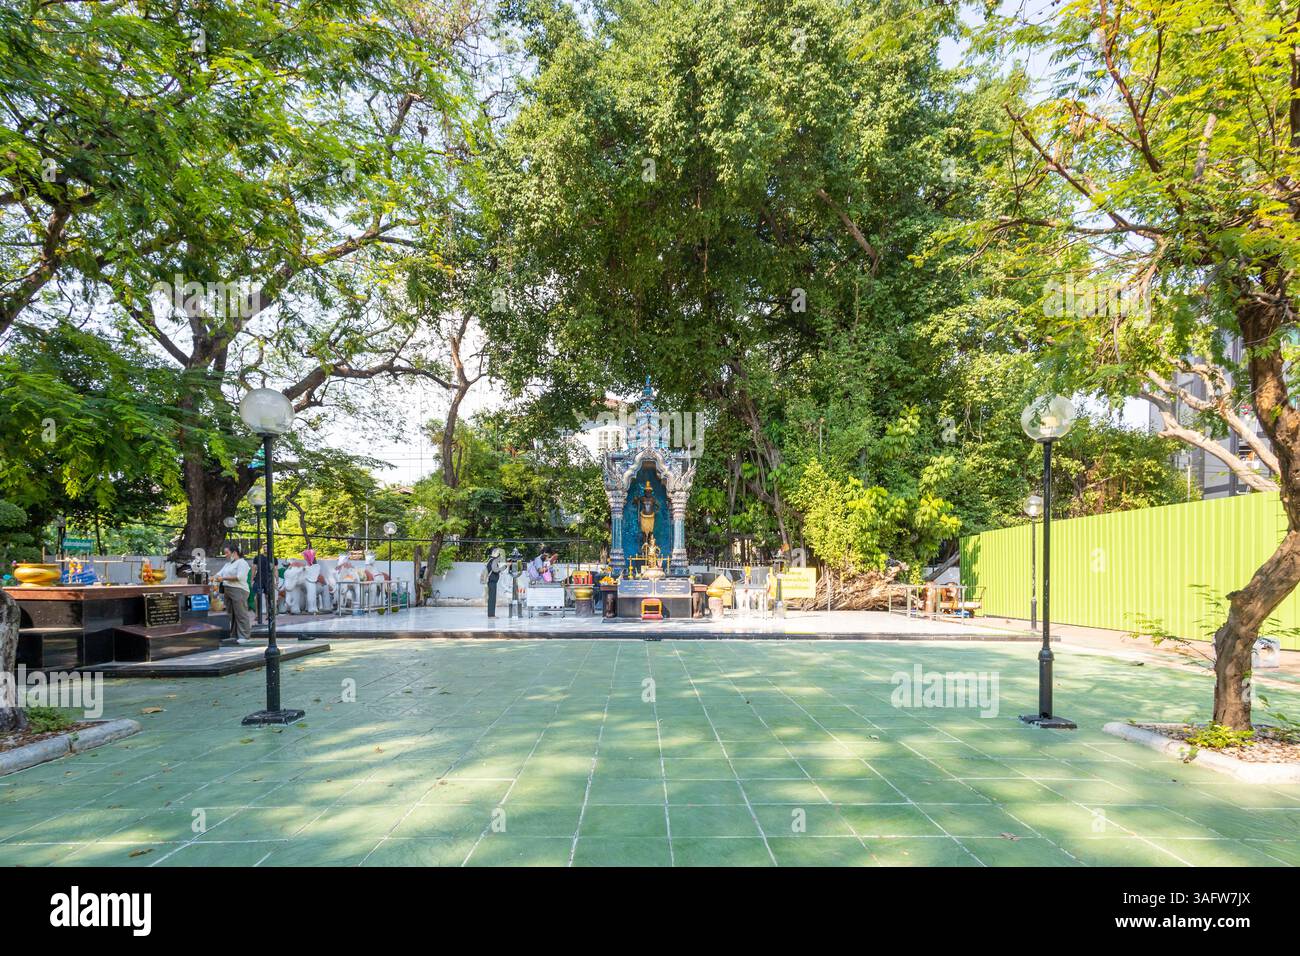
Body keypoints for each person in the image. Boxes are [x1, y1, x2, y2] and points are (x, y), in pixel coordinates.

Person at [215, 543, 252, 644]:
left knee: (241, 613)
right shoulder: (228, 564)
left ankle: (245, 636)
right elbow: (219, 573)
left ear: (234, 553)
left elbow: (240, 577)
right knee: (232, 614)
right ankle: (234, 635)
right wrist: (213, 577)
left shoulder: (242, 563)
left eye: (227, 553)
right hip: (228, 590)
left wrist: (223, 578)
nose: (225, 555)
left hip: (239, 590)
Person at [485, 547, 503, 618]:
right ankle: (491, 615)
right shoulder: (493, 560)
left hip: (491, 582)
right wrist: (504, 567)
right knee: (492, 599)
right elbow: (496, 570)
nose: (499, 554)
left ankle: (491, 614)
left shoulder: (490, 560)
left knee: (491, 598)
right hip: (492, 582)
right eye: (498, 552)